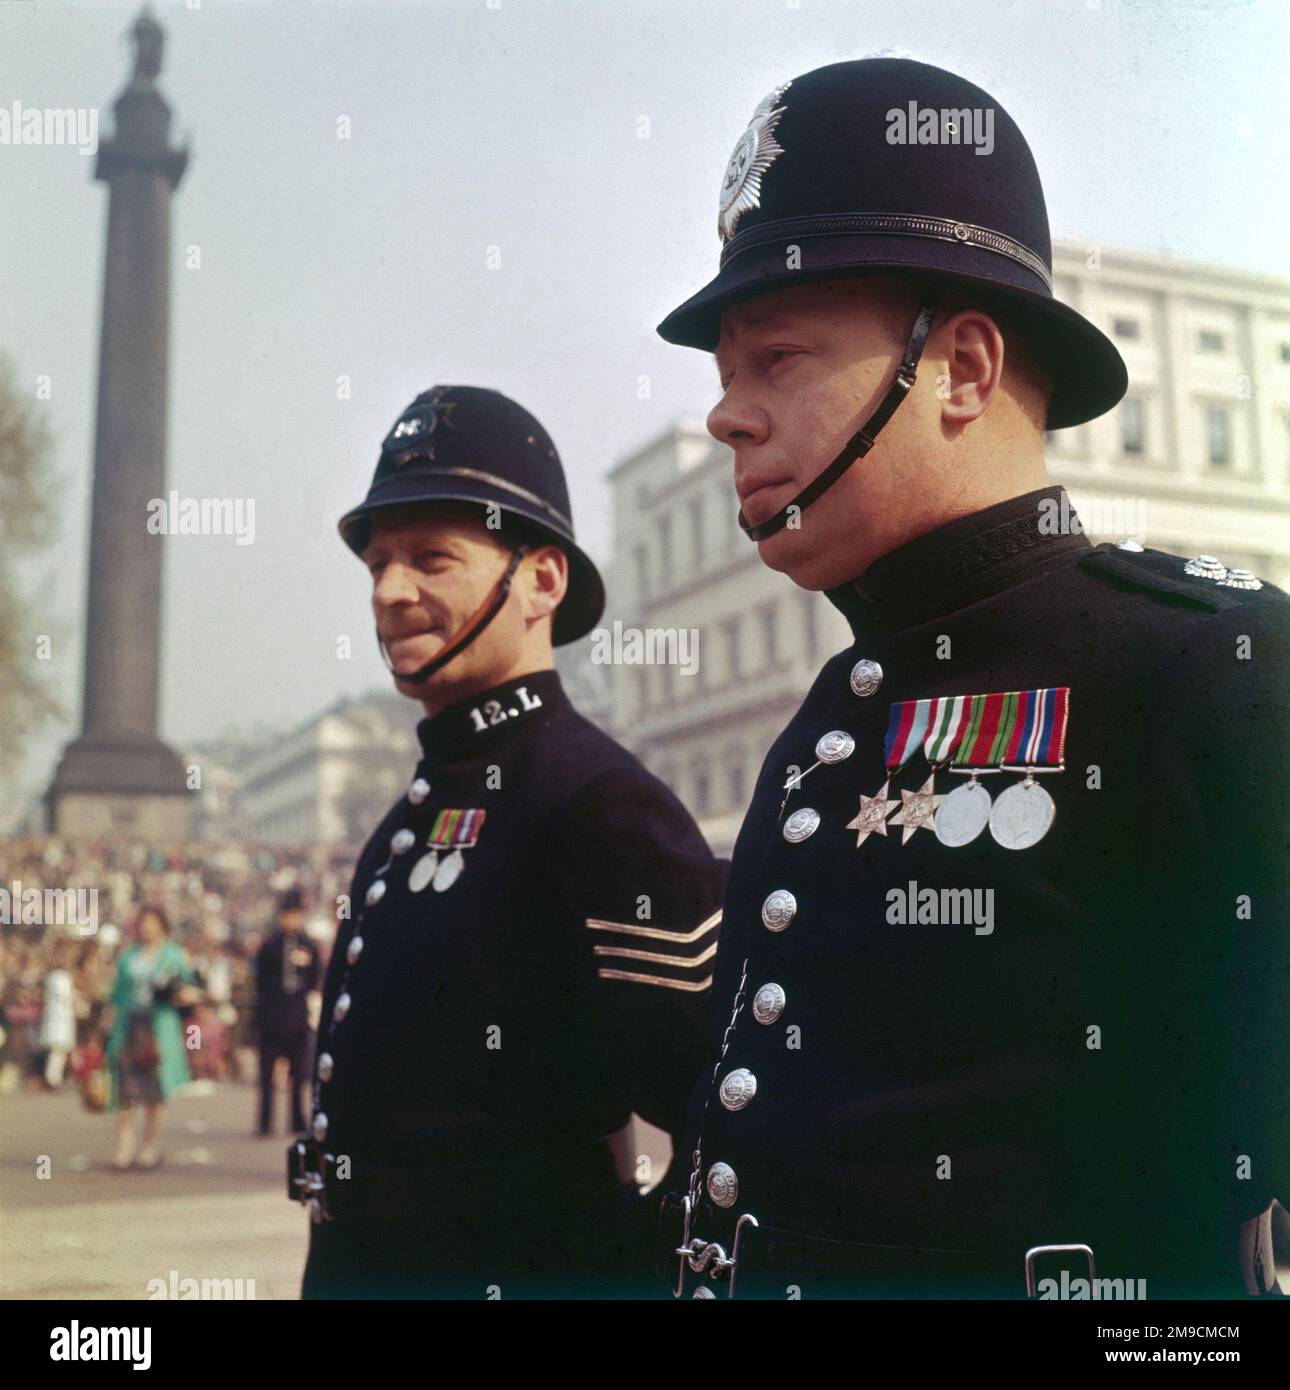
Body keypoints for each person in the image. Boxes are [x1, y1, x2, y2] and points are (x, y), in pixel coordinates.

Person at [652, 55, 1290, 1300]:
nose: (728, 415)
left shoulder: (1212, 668)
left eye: (775, 359)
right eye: (725, 375)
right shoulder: (839, 715)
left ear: (961, 368)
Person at [293, 385, 727, 1298]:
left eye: (430, 559)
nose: (389, 592)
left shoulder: (597, 803)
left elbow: (724, 1104)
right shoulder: (426, 796)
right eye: (377, 564)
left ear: (542, 580)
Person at [103, 906, 201, 1170]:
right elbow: (116, 996)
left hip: (159, 1028)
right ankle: (125, 1146)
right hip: (130, 1024)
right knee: (124, 1089)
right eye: (142, 922)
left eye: (151, 922)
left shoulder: (175, 956)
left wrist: (181, 996)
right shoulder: (128, 957)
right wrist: (106, 1031)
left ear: (162, 925)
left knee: (155, 1090)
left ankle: (149, 1146)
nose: (146, 927)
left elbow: (192, 990)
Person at [253, 889, 322, 1135]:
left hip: (297, 1018)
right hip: (271, 1017)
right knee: (266, 1076)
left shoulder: (309, 946)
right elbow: (260, 981)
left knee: (298, 1075)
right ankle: (264, 1122)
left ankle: (296, 1120)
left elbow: (315, 979)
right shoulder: (269, 946)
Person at [39, 940, 78, 1090]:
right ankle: (52, 1078)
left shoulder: (53, 976)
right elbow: (67, 998)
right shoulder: (61, 978)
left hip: (58, 1017)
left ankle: (56, 1077)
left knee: (60, 1051)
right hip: (60, 1018)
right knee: (58, 1050)